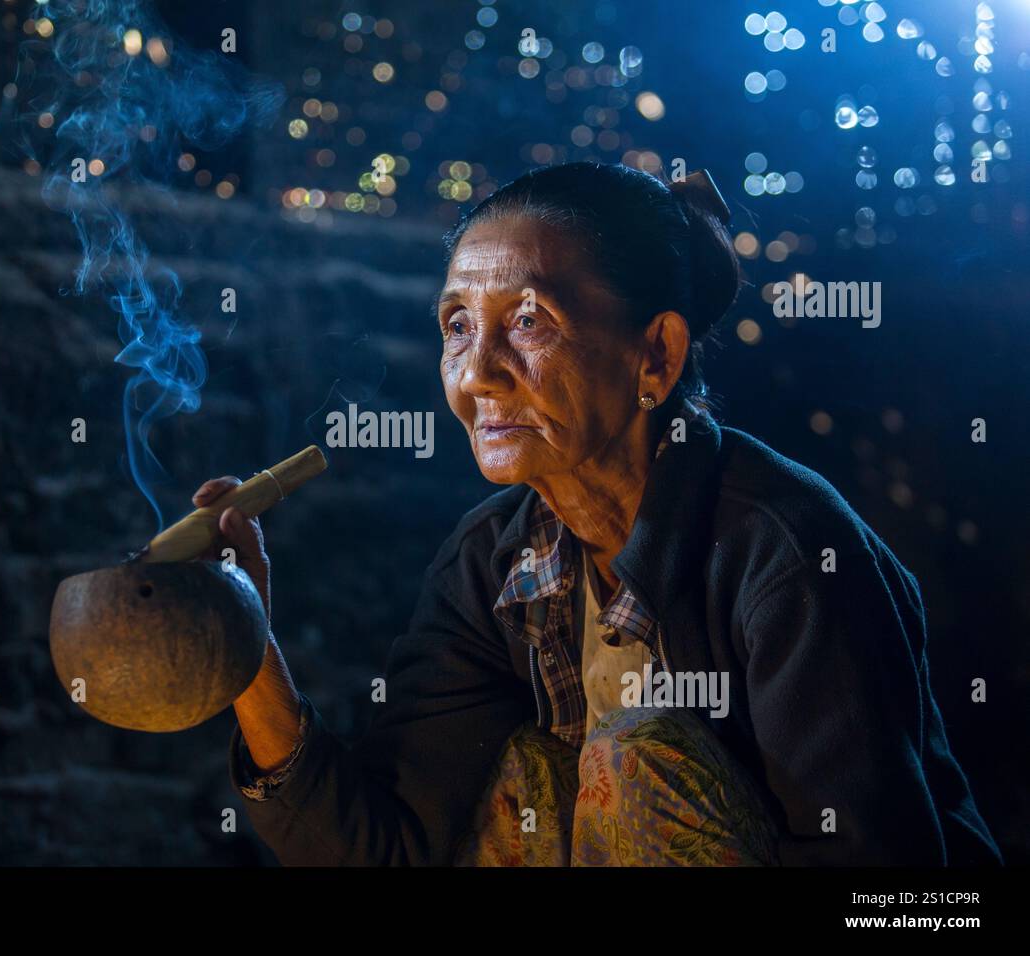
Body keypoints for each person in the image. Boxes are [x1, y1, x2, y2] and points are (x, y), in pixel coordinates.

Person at [192, 162, 1001, 866]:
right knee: (527, 781)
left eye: (530, 321)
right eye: (458, 326)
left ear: (656, 353)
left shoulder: (783, 553)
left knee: (635, 770)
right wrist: (246, 636)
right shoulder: (492, 565)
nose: (477, 375)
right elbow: (392, 850)